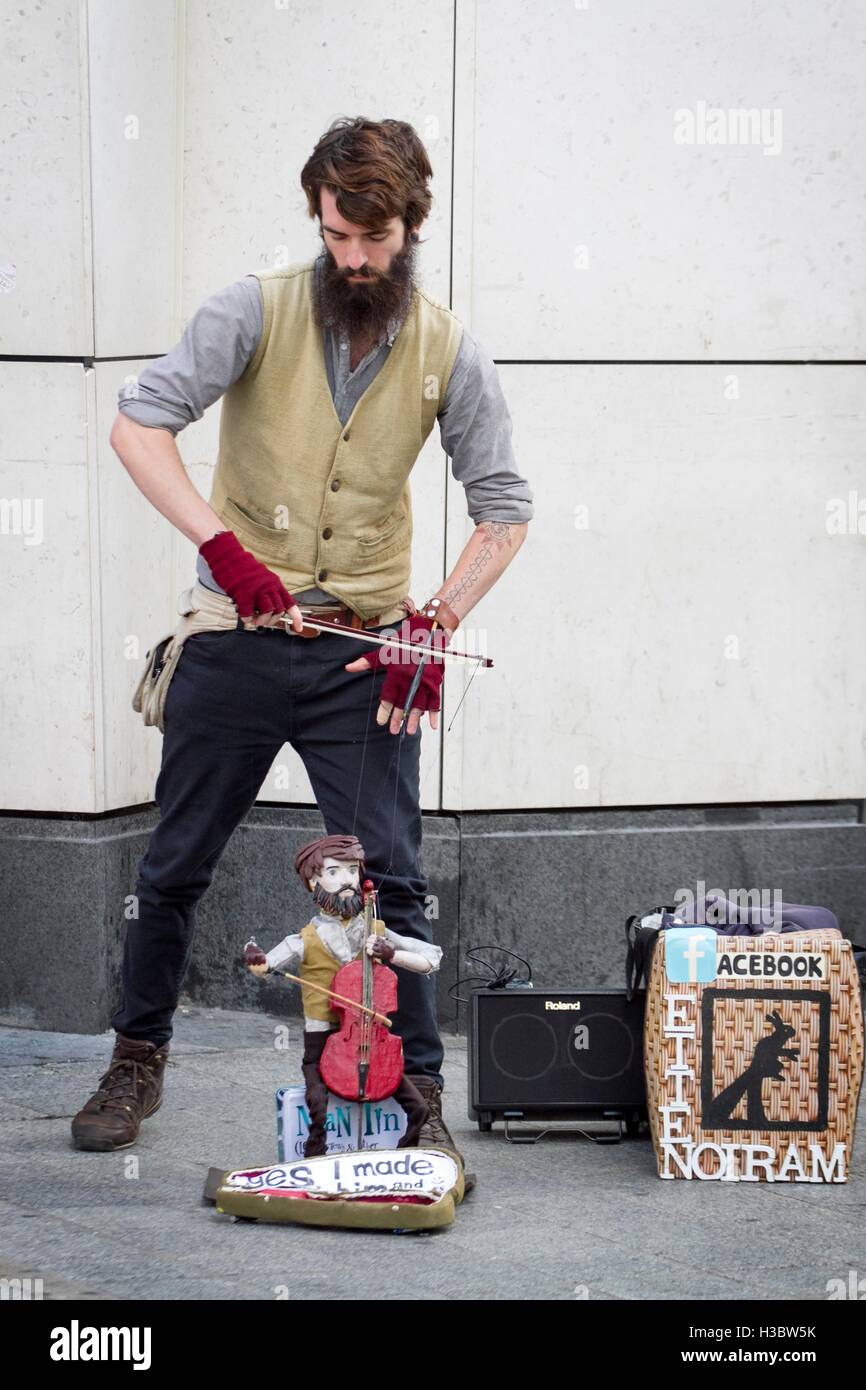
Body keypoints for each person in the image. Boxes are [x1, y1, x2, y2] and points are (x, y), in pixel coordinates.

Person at [71, 117, 533, 1191]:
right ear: (317, 219)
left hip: (361, 659)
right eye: (335, 235)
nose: (352, 259)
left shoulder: (449, 349)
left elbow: (503, 510)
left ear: (411, 225)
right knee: (170, 867)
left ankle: (417, 1099)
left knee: (398, 887)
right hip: (236, 635)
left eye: (372, 239)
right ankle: (134, 1063)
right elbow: (139, 427)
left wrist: (436, 621)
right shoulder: (251, 306)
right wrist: (220, 546)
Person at [244, 834, 438, 1159]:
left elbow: (430, 958)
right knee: (317, 1103)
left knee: (417, 1107)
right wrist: (255, 957)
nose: (347, 880)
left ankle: (405, 1158)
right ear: (312, 883)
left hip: (371, 1036)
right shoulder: (304, 938)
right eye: (334, 872)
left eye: (352, 870)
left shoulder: (374, 929)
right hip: (321, 1034)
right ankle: (314, 1157)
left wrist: (391, 954)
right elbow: (266, 966)